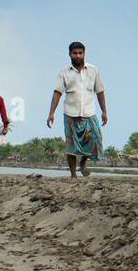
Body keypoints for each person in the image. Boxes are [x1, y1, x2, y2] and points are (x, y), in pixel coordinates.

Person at [46, 41, 107, 177]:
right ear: (70, 54)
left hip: (89, 112)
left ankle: (83, 163)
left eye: (80, 53)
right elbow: (57, 93)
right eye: (75, 53)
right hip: (70, 113)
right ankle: (73, 174)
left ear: (84, 54)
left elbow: (100, 91)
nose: (78, 56)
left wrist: (104, 111)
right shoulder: (64, 73)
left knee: (96, 141)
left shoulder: (93, 70)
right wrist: (51, 113)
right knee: (71, 147)